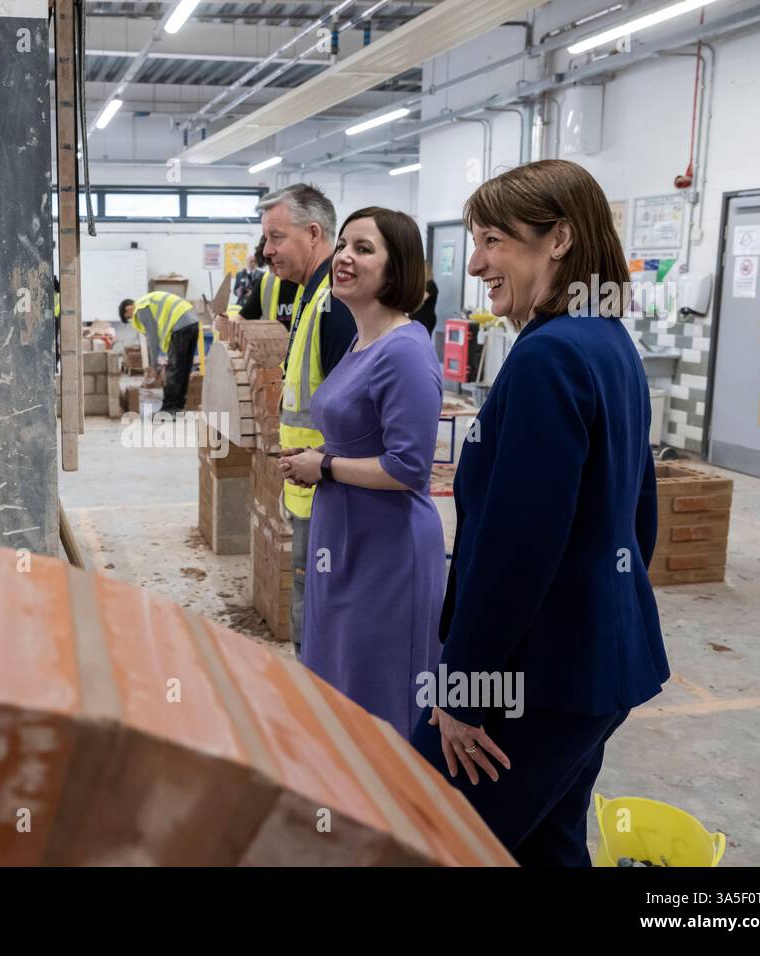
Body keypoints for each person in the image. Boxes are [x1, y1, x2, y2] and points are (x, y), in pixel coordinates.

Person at [410, 159, 669, 866]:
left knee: (416, 830)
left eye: (493, 240)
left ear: (557, 240)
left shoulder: (547, 357)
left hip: (533, 681)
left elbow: (515, 550)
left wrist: (464, 686)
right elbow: (636, 516)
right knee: (548, 845)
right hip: (595, 667)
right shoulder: (610, 343)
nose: (476, 262)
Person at [280, 208, 443, 738]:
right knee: (341, 677)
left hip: (387, 548)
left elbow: (410, 467)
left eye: (365, 248)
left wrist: (323, 465)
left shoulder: (404, 349)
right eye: (344, 244)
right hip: (345, 537)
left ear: (398, 269)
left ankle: (393, 808)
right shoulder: (359, 341)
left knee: (381, 689)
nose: (345, 257)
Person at [261, 183, 357, 656]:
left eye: (276, 237)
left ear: (314, 232)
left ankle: (319, 716)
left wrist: (326, 465)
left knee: (319, 616)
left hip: (330, 495)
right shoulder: (307, 294)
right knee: (308, 605)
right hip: (310, 489)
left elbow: (358, 414)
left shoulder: (334, 302)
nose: (267, 250)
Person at [123, 291, 200, 414]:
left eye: (129, 317)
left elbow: (153, 337)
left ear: (128, 308)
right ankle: (178, 407)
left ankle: (169, 409)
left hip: (180, 326)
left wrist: (154, 366)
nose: (133, 319)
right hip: (192, 323)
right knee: (183, 369)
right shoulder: (149, 301)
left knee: (174, 370)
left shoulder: (141, 308)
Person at [239, 234, 302, 327]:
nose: (273, 271)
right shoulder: (267, 282)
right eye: (269, 265)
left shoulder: (313, 283)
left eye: (276, 264)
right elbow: (244, 317)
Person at [410, 263, 438, 336]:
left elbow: (419, 300)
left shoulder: (430, 285)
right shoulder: (420, 285)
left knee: (422, 341)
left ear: (426, 270)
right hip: (415, 318)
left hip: (425, 318)